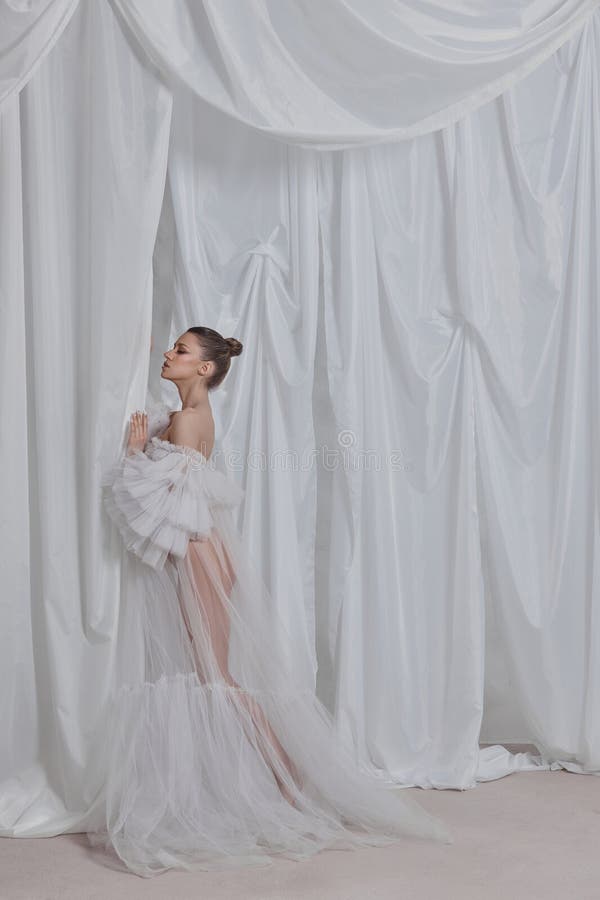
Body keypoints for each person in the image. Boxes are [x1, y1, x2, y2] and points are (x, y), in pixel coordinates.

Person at [90, 325, 449, 876]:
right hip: (207, 556)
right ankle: (271, 776)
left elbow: (160, 504)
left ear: (204, 368)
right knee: (214, 677)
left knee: (219, 680)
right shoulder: (189, 417)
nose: (168, 353)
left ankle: (289, 777)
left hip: (201, 561)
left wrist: (135, 455)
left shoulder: (187, 420)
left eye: (181, 350)